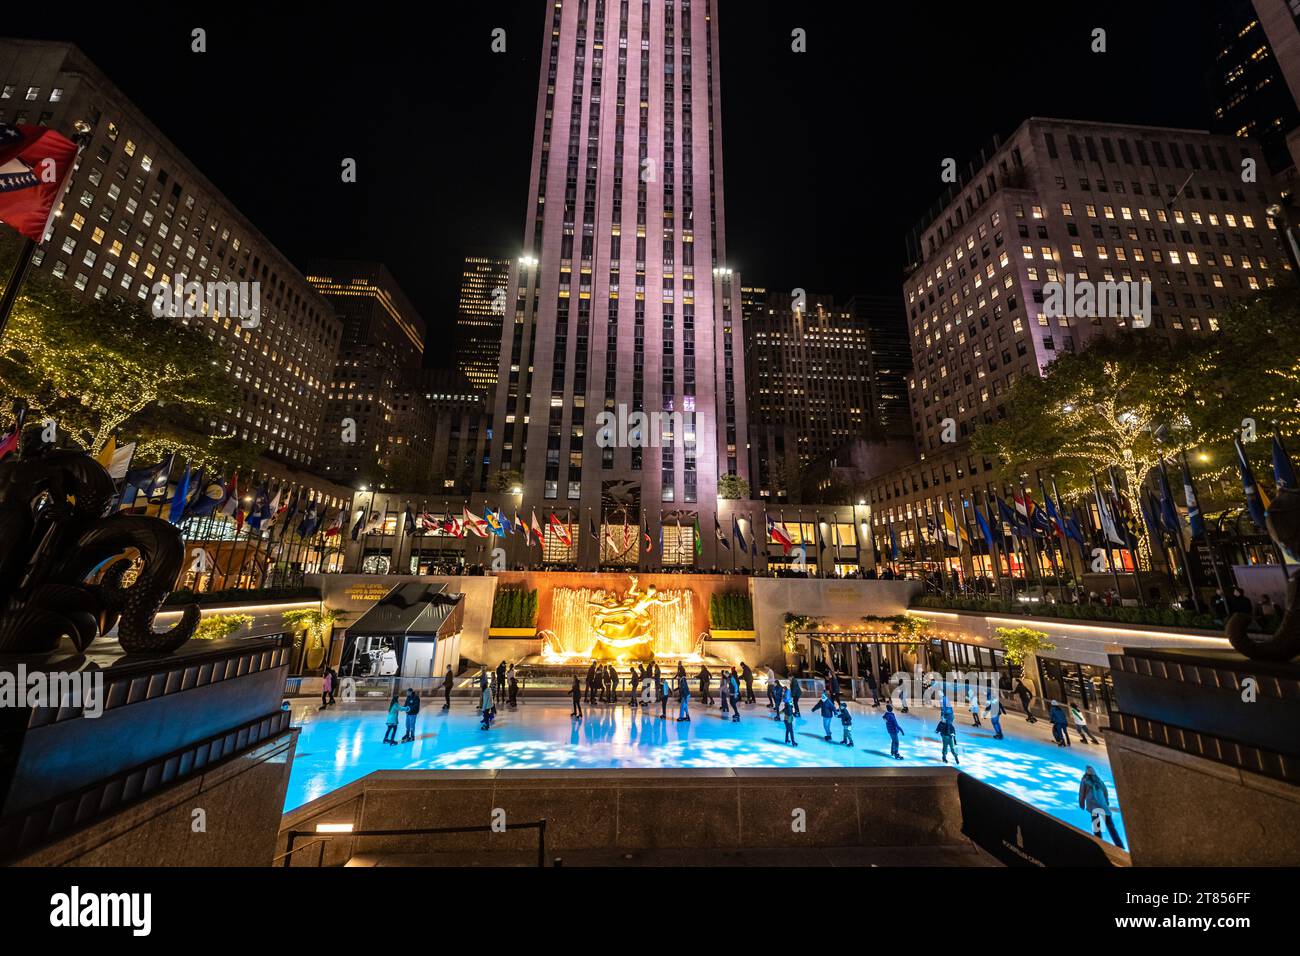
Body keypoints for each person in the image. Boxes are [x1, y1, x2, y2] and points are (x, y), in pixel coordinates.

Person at [1078, 766, 1124, 848]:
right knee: (1105, 824)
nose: (1090, 771)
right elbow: (1104, 792)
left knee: (1101, 825)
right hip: (1098, 805)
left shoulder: (1091, 780)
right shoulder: (1092, 780)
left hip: (1097, 805)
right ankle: (1116, 845)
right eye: (1090, 770)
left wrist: (1082, 804)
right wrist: (1106, 802)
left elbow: (1083, 792)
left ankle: (1103, 843)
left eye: (1090, 770)